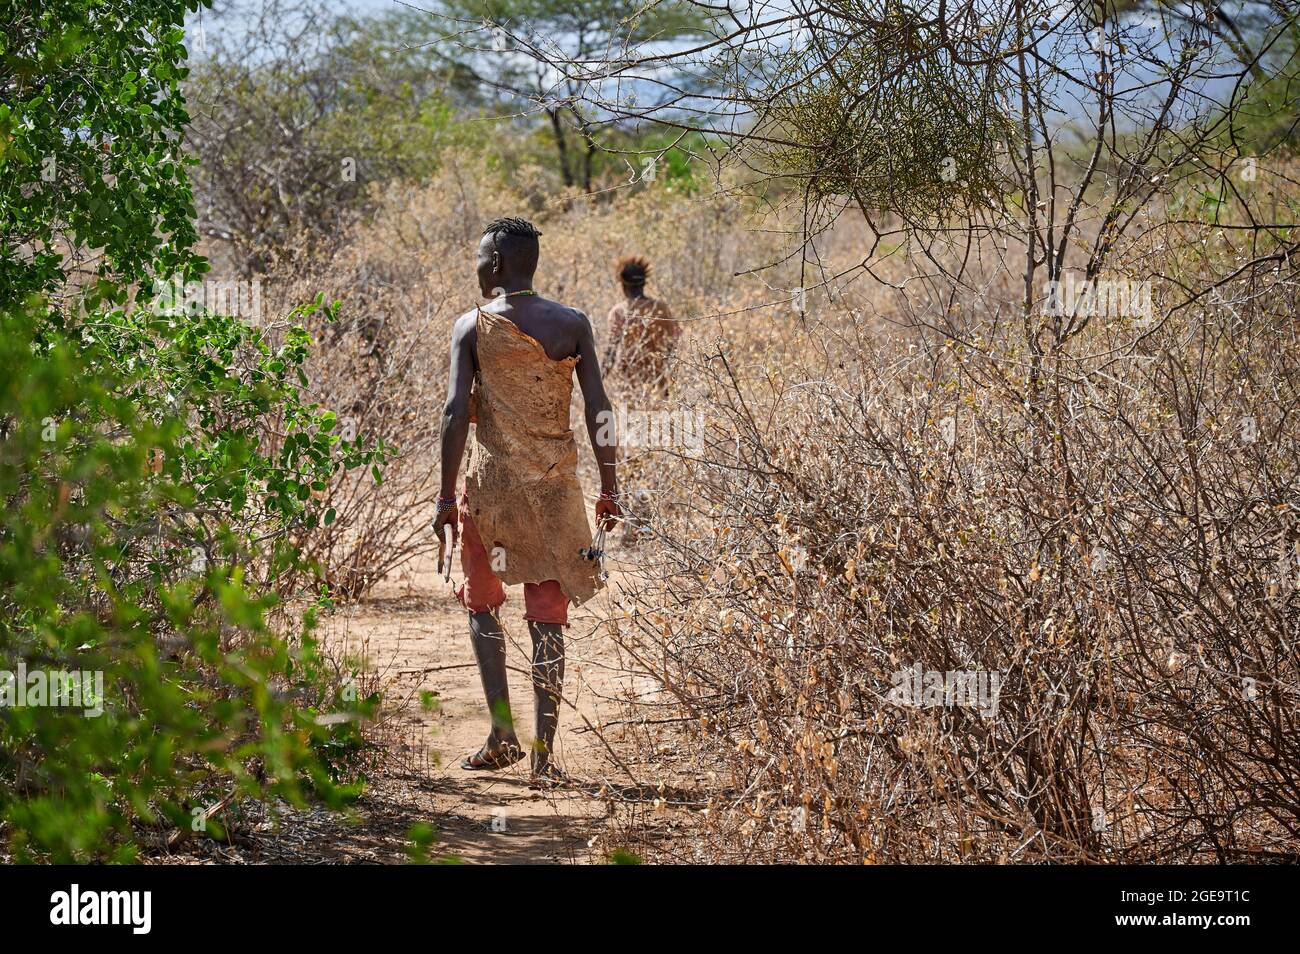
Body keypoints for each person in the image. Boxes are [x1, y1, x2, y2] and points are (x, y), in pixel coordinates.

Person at [433, 217, 621, 783]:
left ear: (494, 263)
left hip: (491, 494)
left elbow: (453, 414)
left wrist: (445, 495)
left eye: (478, 258)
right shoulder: (573, 324)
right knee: (547, 613)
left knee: (483, 603)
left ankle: (500, 735)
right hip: (556, 490)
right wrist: (610, 487)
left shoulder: (472, 326)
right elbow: (600, 410)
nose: (476, 266)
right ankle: (544, 755)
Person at [603, 255, 679, 390]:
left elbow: (611, 353)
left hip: (629, 386)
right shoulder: (661, 308)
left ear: (622, 283)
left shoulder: (619, 312)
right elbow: (673, 344)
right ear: (644, 283)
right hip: (659, 384)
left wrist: (599, 382)